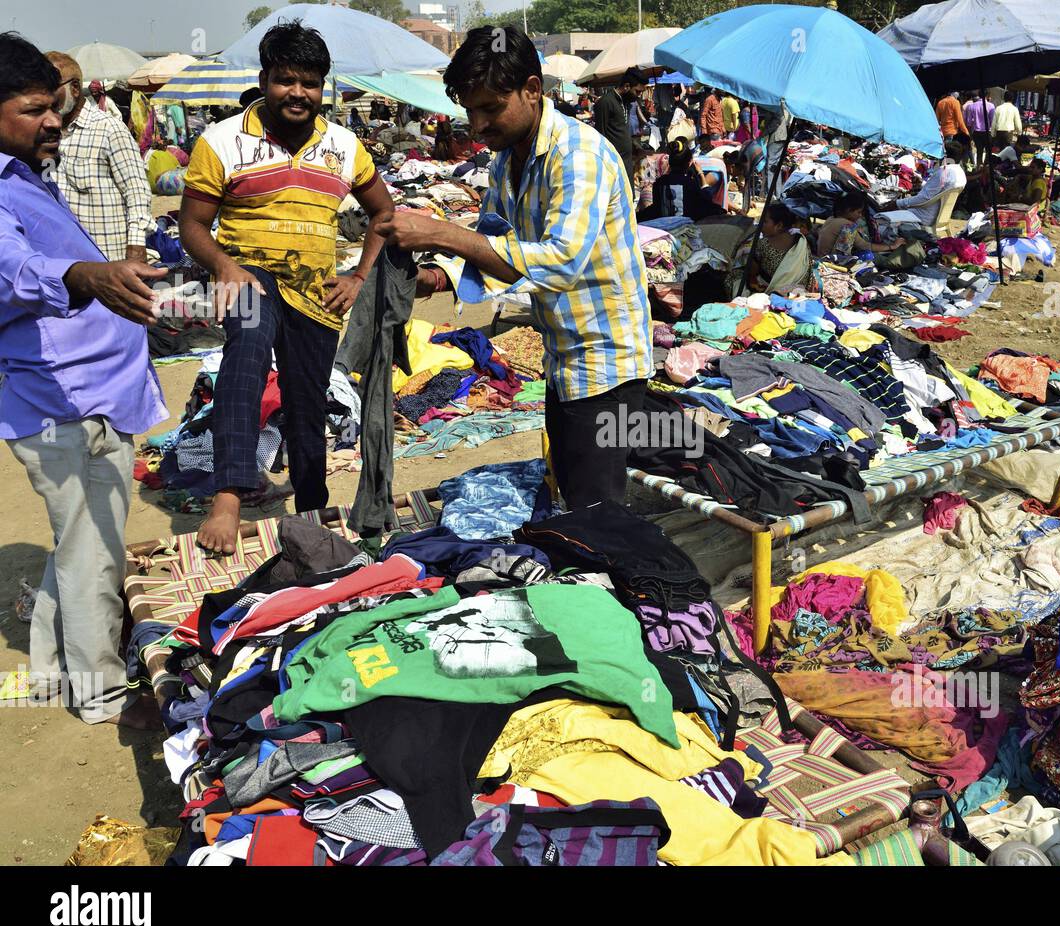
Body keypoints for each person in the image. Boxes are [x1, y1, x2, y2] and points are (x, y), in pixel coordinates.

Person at [377, 25, 652, 510]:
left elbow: (558, 261)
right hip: (564, 361)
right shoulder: (507, 160)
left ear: (531, 89)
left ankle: (623, 583)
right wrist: (430, 278)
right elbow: (498, 243)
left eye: (490, 108)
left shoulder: (578, 155)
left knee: (600, 509)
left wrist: (442, 233)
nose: (478, 125)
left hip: (608, 367)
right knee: (573, 489)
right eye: (470, 110)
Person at [1, 31, 170, 728]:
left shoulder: (21, 173)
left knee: (78, 545)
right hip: (60, 402)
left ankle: (49, 671)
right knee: (92, 551)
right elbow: (11, 268)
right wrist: (82, 275)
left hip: (94, 389)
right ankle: (100, 695)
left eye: (56, 105)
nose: (52, 121)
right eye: (36, 109)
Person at [177, 20, 396, 555]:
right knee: (244, 364)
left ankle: (311, 504)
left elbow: (384, 213)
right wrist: (224, 267)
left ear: (324, 87)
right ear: (264, 79)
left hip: (315, 291)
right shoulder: (222, 141)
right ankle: (228, 496)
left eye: (310, 82)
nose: (298, 93)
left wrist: (359, 275)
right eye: (285, 80)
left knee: (306, 400)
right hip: (248, 276)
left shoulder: (345, 147)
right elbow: (191, 226)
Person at [42, 52, 151, 263]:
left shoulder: (109, 129)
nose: (45, 98)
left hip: (109, 256)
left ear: (74, 88)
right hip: (66, 258)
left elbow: (137, 191)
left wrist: (137, 244)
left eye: (50, 89)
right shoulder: (44, 135)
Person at [878, 138, 968, 227]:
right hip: (937, 216)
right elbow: (939, 191)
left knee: (878, 218)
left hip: (922, 216)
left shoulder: (943, 172)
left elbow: (924, 198)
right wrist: (922, 184)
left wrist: (897, 203)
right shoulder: (960, 172)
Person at [747, 202, 812, 293]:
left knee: (735, 275)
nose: (761, 224)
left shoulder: (764, 243)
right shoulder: (802, 241)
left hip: (772, 293)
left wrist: (750, 256)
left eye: (765, 221)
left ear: (779, 226)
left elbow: (753, 271)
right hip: (798, 294)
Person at [815, 193, 905, 257]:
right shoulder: (848, 225)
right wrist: (892, 246)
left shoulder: (831, 218)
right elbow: (863, 246)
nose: (860, 215)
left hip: (822, 258)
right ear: (849, 210)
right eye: (858, 212)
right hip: (831, 262)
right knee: (870, 256)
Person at [594, 69, 644, 182]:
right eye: (637, 91)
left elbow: (620, 131)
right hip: (613, 167)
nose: (639, 96)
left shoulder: (626, 103)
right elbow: (599, 136)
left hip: (626, 164)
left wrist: (634, 145)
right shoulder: (606, 102)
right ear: (627, 86)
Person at [645, 137, 711, 221]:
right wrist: (701, 174)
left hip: (663, 225)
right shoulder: (690, 183)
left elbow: (656, 207)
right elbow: (707, 200)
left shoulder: (660, 182)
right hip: (685, 226)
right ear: (689, 163)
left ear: (670, 162)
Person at [963, 91, 994, 165]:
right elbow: (992, 121)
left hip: (976, 132)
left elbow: (969, 123)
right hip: (987, 132)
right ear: (987, 95)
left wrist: (970, 135)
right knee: (988, 152)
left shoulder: (971, 106)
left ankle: (978, 169)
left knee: (979, 152)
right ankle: (986, 168)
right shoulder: (991, 106)